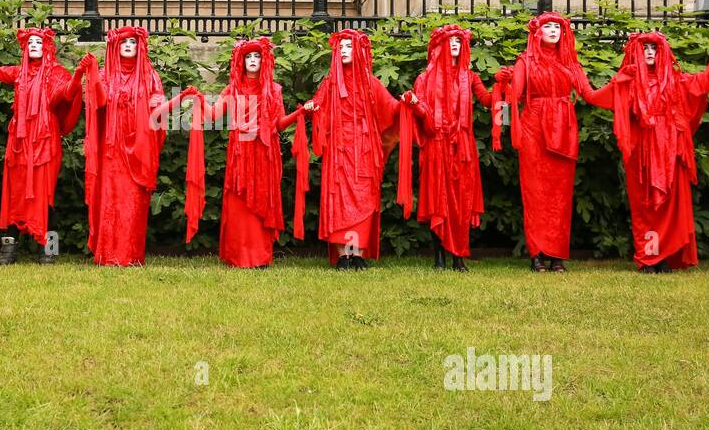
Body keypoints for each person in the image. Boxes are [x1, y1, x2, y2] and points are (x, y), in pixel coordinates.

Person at [575, 32, 709, 272]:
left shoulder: (676, 80)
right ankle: (649, 257)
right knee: (644, 205)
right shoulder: (628, 80)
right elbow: (596, 98)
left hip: (671, 150)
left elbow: (703, 85)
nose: (649, 52)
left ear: (663, 52)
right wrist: (595, 77)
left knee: (669, 204)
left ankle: (666, 256)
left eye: (654, 48)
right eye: (645, 48)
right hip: (641, 152)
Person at [0, 29, 86, 264]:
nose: (34, 45)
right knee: (14, 193)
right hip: (20, 141)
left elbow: (67, 93)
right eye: (30, 42)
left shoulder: (57, 73)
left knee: (47, 194)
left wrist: (78, 75)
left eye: (38, 42)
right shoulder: (19, 73)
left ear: (47, 47)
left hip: (45, 139)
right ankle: (9, 250)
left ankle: (49, 250)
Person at [79, 26, 199, 266]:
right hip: (112, 148)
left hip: (139, 149)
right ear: (115, 46)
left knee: (133, 202)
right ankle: (108, 255)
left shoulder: (150, 77)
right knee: (111, 201)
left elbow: (157, 112)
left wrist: (180, 98)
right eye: (124, 42)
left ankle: (130, 255)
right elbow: (100, 103)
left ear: (140, 47)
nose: (128, 46)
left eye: (133, 42)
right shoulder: (106, 74)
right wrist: (92, 72)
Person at [194, 37, 306, 268]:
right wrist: (199, 99)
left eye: (257, 56)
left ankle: (259, 257)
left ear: (264, 61)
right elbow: (213, 116)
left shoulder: (273, 90)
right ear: (241, 61)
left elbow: (279, 125)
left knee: (262, 200)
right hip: (240, 153)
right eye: (248, 57)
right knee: (239, 205)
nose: (253, 60)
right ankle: (239, 256)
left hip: (264, 153)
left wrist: (300, 113)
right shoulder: (232, 89)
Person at [492, 13, 591, 272]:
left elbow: (589, 94)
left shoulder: (571, 62)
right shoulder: (525, 61)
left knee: (560, 196)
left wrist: (623, 85)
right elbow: (513, 96)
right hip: (533, 131)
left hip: (564, 132)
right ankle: (536, 255)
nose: (553, 30)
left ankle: (557, 256)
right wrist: (501, 113)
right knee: (535, 195)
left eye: (557, 26)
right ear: (537, 32)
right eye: (547, 26)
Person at [398, 24, 496, 272]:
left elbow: (487, 100)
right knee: (438, 200)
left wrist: (504, 87)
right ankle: (439, 257)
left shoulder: (469, 77)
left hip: (462, 147)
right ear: (438, 46)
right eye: (450, 40)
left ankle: (458, 257)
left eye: (459, 41)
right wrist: (415, 103)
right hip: (436, 144)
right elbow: (423, 116)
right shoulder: (424, 79)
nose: (455, 44)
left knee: (462, 200)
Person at [303, 29, 399, 269]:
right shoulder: (330, 83)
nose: (344, 51)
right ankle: (343, 254)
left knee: (363, 198)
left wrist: (407, 106)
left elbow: (390, 108)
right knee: (339, 199)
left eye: (348, 46)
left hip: (364, 149)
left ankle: (357, 253)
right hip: (339, 150)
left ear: (358, 50)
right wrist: (313, 108)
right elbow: (318, 104)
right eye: (341, 47)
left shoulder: (370, 82)